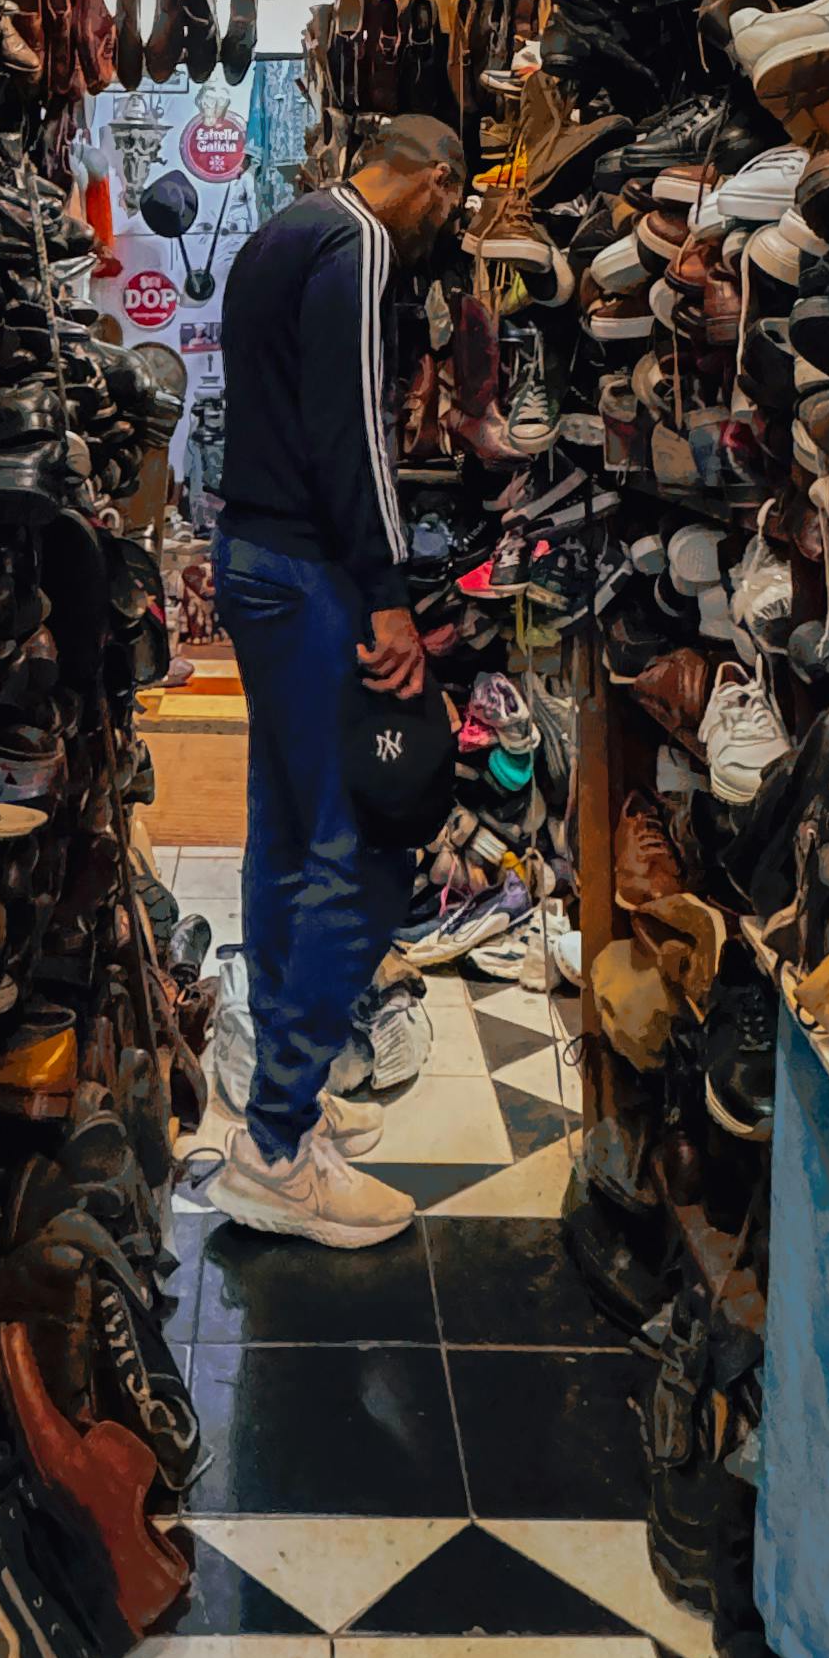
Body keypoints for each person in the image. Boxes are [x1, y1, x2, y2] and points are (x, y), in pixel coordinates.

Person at [202, 113, 468, 1247]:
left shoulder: (283, 228)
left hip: (257, 560)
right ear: (439, 185)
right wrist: (390, 591)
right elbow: (354, 430)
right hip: (313, 572)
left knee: (284, 829)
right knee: (361, 847)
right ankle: (271, 1146)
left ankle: (285, 1106)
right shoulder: (358, 243)